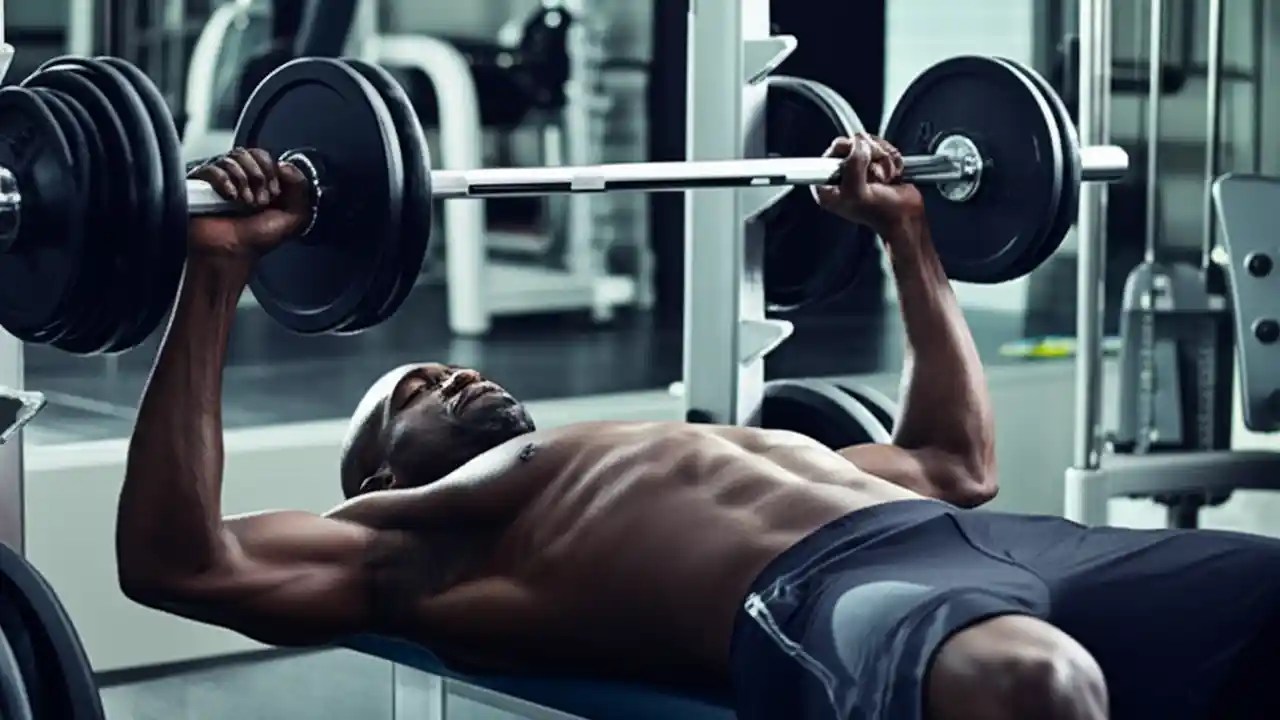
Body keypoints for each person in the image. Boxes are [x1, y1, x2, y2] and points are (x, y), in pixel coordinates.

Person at [118, 139, 1280, 720]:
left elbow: (952, 461)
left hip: (994, 538)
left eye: (446, 364)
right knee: (1029, 684)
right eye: (415, 386)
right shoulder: (414, 543)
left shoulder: (683, 442)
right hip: (818, 597)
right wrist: (214, 274)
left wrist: (905, 232)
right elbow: (176, 563)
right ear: (373, 474)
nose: (452, 373)